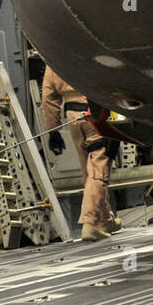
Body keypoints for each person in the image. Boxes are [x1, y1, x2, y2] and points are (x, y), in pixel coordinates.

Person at [41, 67, 122, 241]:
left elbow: (48, 95)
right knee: (99, 169)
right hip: (96, 112)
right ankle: (89, 223)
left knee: (89, 171)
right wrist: (120, 122)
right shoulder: (88, 45)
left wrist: (52, 130)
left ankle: (105, 220)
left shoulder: (53, 49)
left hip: (73, 116)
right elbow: (114, 83)